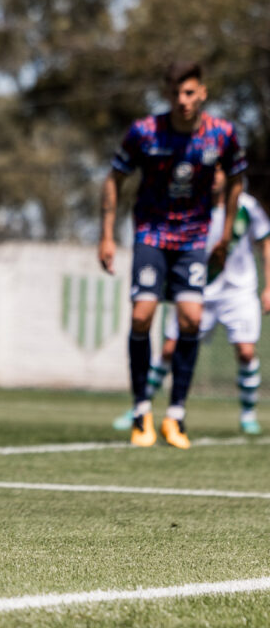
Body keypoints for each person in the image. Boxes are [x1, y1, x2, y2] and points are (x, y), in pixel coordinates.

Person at [98, 62, 247, 449]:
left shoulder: (222, 134)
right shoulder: (146, 132)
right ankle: (141, 410)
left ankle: (176, 416)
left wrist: (226, 232)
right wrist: (107, 235)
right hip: (151, 232)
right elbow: (114, 178)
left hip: (194, 237)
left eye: (190, 92)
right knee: (142, 314)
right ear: (168, 95)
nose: (183, 100)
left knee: (191, 319)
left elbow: (235, 180)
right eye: (176, 93)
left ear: (203, 93)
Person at [112, 166, 268, 435]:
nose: (216, 177)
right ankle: (141, 404)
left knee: (246, 351)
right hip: (200, 287)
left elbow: (266, 241)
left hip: (238, 291)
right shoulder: (193, 205)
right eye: (212, 171)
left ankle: (247, 415)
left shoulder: (247, 207)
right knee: (169, 350)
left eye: (221, 172)